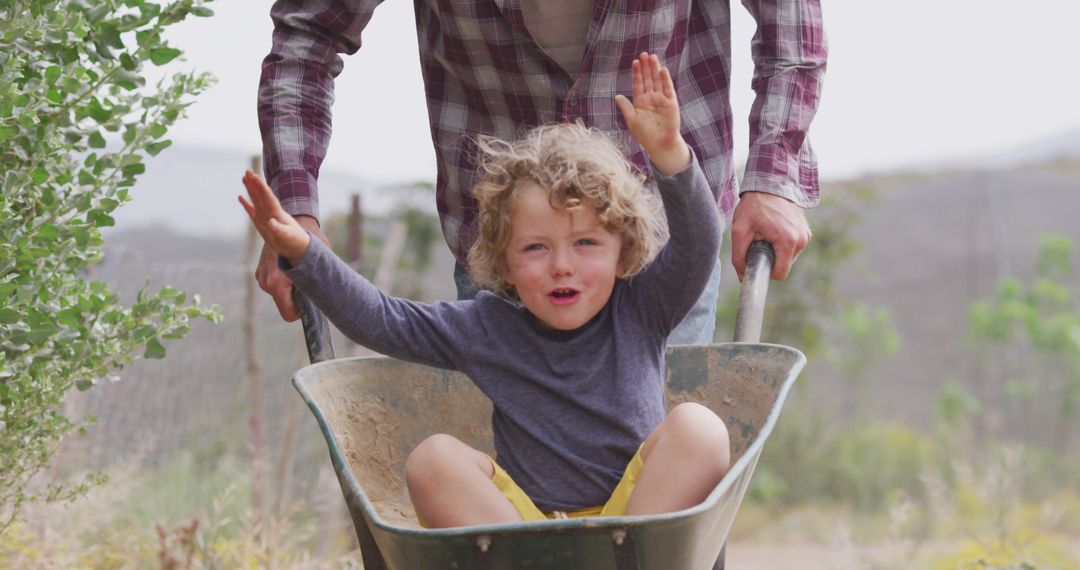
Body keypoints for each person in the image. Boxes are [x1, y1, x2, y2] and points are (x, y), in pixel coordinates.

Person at [241, 54, 729, 527]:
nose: (563, 266)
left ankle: (630, 557)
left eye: (585, 243)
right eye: (536, 248)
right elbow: (381, 318)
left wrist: (670, 155)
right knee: (433, 460)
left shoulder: (642, 308)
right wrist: (304, 252)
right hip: (529, 527)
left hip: (636, 515)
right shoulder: (486, 326)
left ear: (623, 253)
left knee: (701, 429)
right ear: (505, 264)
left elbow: (700, 244)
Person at [255, 0, 826, 345]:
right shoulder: (487, 328)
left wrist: (773, 176)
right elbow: (309, 35)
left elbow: (791, 24)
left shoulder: (668, 276)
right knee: (473, 462)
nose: (566, 266)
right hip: (503, 247)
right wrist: (295, 218)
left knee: (686, 441)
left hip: (660, 235)